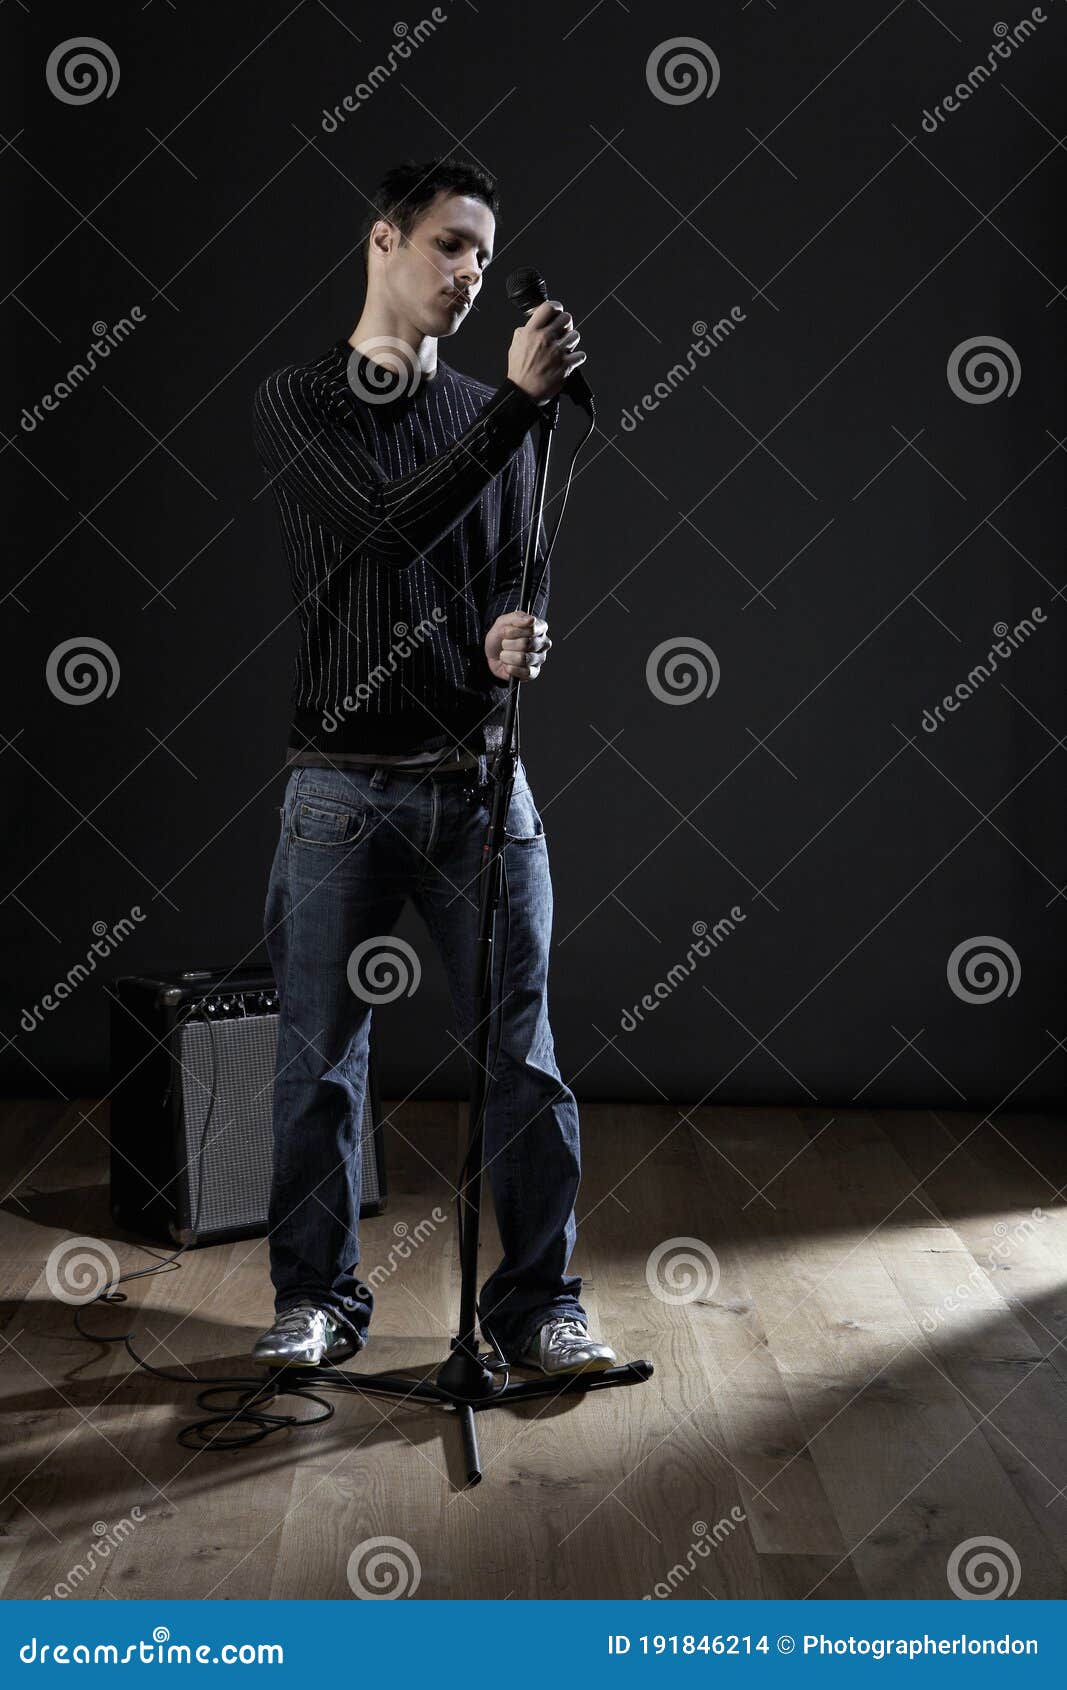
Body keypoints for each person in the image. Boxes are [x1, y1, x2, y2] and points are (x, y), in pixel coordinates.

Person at [250, 157, 616, 1377]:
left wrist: (518, 631)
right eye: (449, 245)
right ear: (383, 242)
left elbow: (513, 559)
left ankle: (535, 1306)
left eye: (481, 253)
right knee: (316, 1058)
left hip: (476, 782)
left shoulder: (487, 413)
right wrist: (519, 404)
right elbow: (384, 523)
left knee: (521, 1054)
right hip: (336, 792)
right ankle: (314, 1300)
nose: (467, 273)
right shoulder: (299, 401)